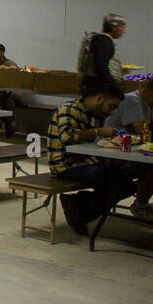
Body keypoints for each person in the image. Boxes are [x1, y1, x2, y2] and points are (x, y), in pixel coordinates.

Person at [47, 78, 132, 236]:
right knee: (108, 180)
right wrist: (98, 132)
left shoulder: (92, 114)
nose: (112, 112)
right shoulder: (69, 109)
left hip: (86, 162)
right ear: (99, 99)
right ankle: (79, 209)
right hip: (65, 165)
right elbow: (67, 136)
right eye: (111, 107)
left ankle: (78, 206)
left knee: (126, 184)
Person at [106, 74, 153, 218]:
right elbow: (141, 129)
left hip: (138, 153)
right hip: (118, 154)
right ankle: (140, 205)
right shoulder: (131, 100)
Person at [77, 13, 127, 83]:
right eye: (122, 27)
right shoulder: (104, 42)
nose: (123, 31)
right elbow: (101, 67)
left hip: (92, 84)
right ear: (114, 27)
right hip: (99, 88)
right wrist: (113, 86)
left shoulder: (98, 40)